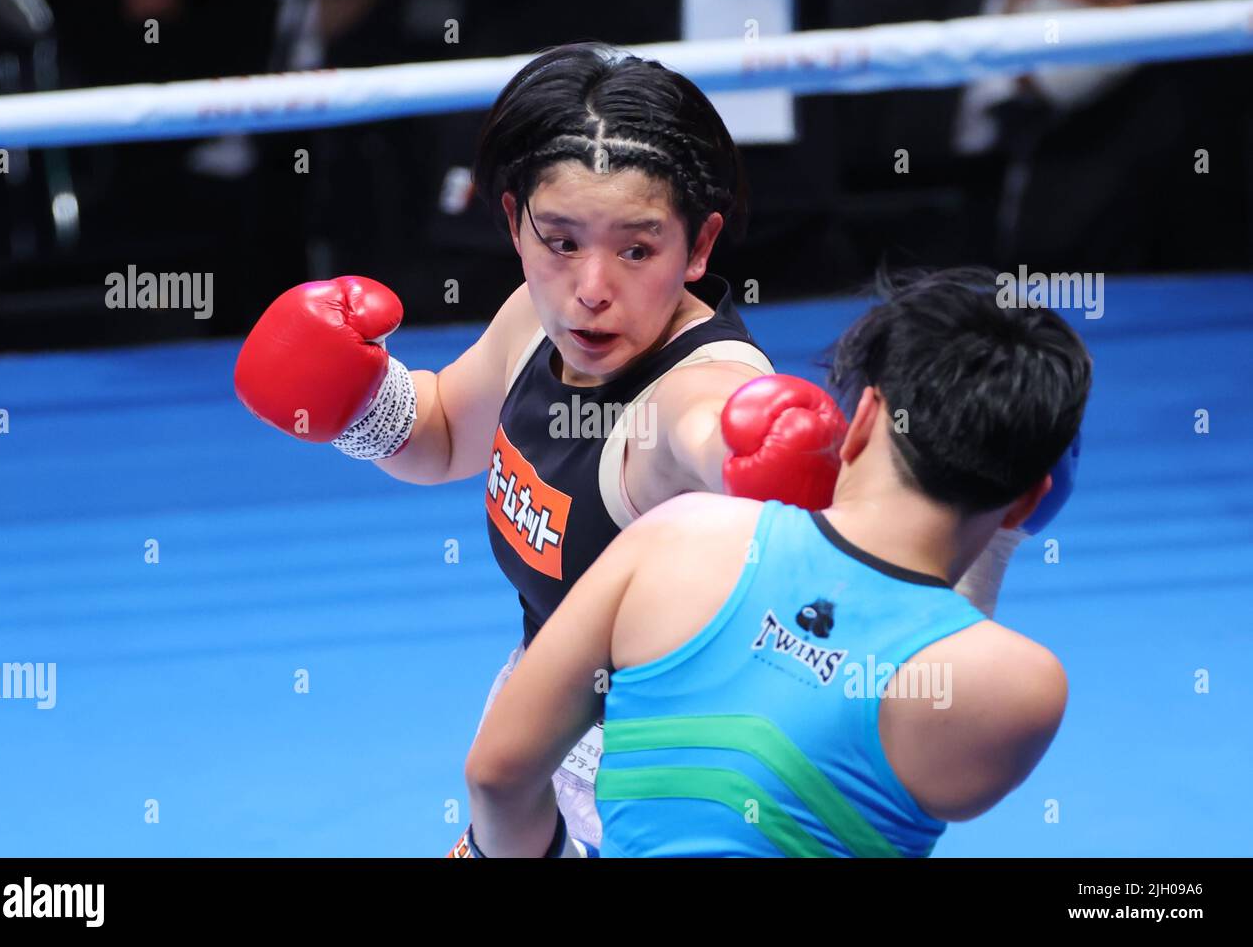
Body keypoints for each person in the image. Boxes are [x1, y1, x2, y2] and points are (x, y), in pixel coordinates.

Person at [233, 42, 846, 851]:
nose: (592, 286)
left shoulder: (695, 393)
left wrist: (756, 453)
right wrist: (356, 399)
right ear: (515, 222)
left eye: (637, 248)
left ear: (698, 248)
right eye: (562, 241)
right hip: (543, 737)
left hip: (673, 788)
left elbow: (704, 431)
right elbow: (445, 428)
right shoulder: (537, 317)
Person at [460, 268, 1092, 857]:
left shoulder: (675, 537)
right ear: (1031, 500)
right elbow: (937, 738)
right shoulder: (1020, 687)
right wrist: (1001, 541)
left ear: (865, 416)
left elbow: (497, 774)